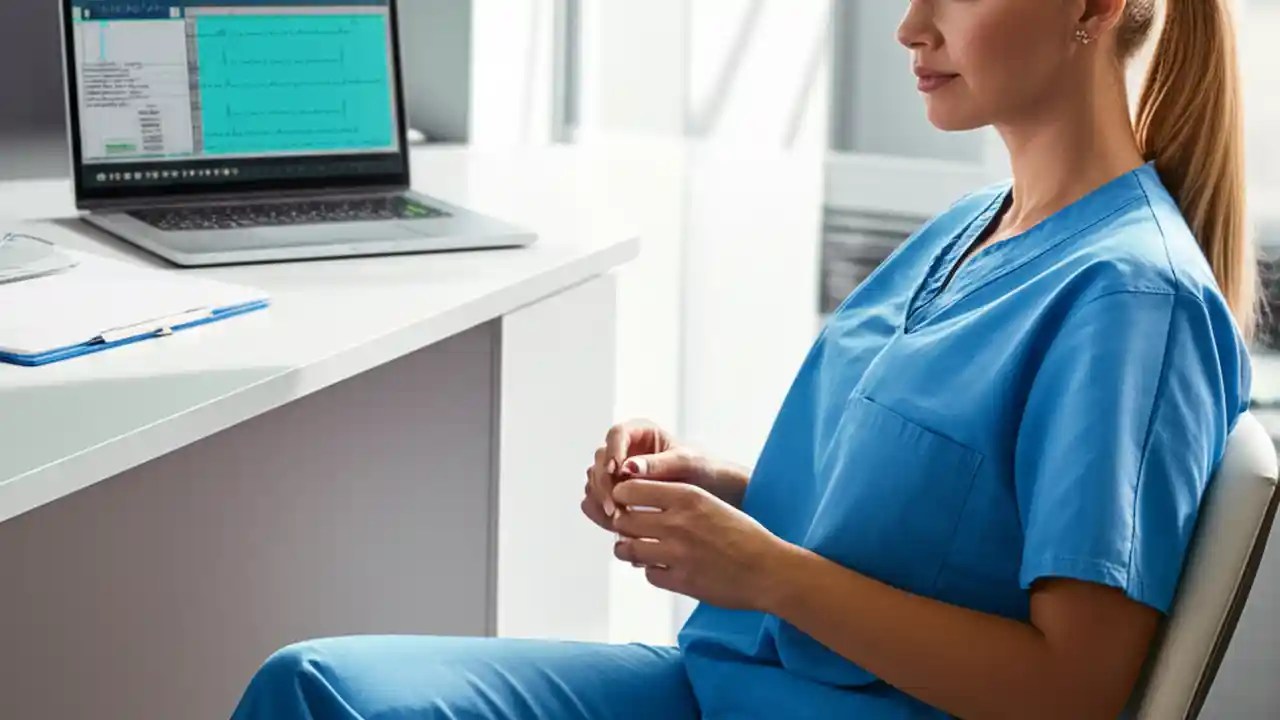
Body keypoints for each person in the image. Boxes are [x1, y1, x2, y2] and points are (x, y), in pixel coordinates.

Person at [230, 0, 1255, 717]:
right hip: (721, 683)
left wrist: (764, 574)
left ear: (1092, 4)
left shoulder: (1129, 300)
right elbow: (936, 521)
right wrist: (712, 491)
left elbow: (1067, 692)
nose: (909, 26)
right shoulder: (970, 227)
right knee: (316, 688)